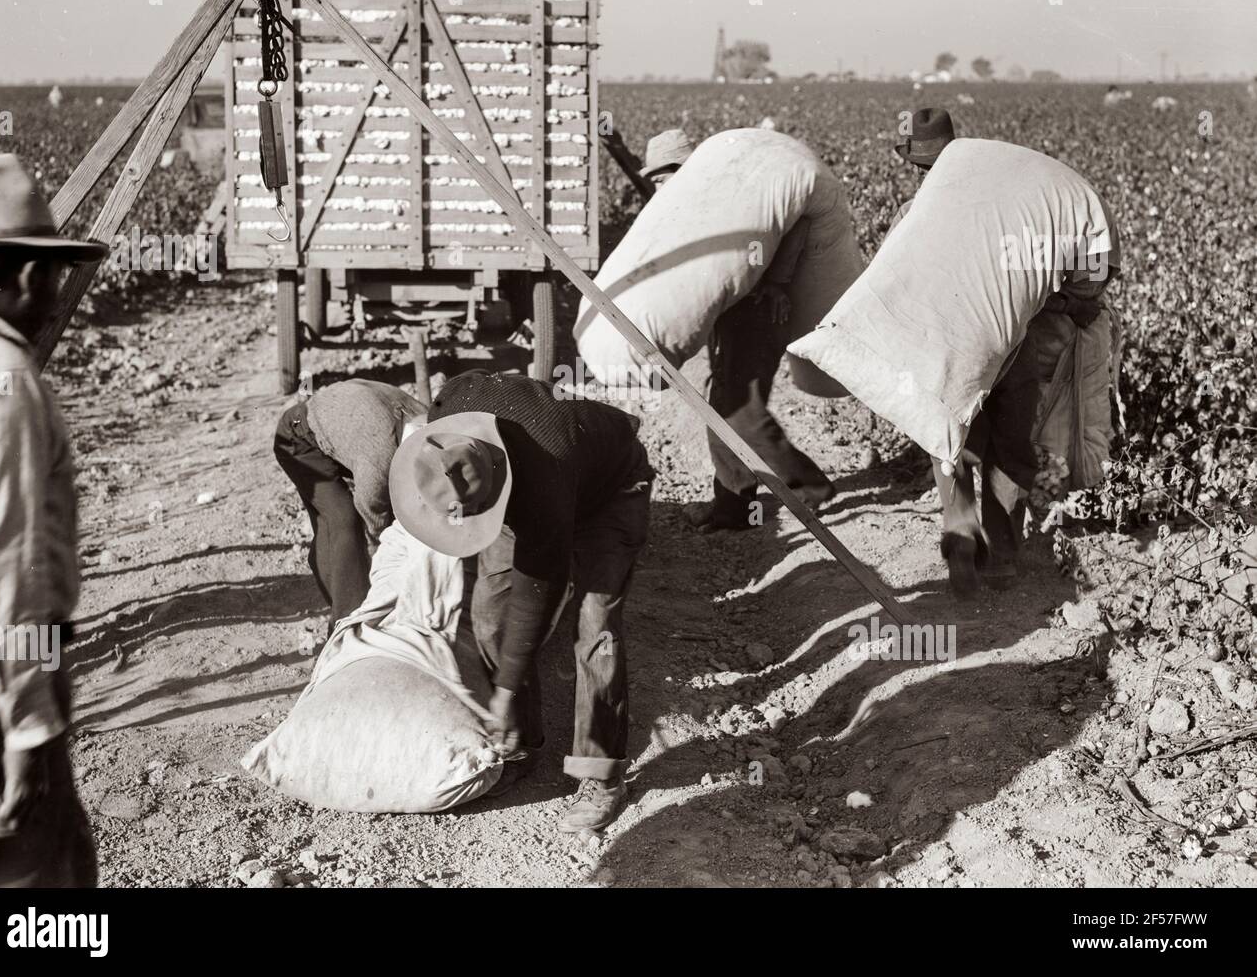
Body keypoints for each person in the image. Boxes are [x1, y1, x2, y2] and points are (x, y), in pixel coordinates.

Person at [389, 370, 651, 832]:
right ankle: (521, 740)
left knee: (596, 627)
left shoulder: (545, 480)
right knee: (489, 616)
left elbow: (537, 597)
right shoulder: (452, 410)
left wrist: (503, 691)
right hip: (517, 485)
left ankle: (602, 775)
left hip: (610, 491)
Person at [890, 110, 1116, 594]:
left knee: (951, 445)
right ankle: (1004, 558)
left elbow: (893, 286)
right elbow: (1078, 273)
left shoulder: (914, 216)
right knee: (1009, 449)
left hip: (949, 350)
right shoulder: (1012, 210)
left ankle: (963, 543)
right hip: (1014, 348)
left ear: (916, 166)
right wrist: (1067, 301)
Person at [0, 154, 102, 888]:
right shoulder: (1, 377)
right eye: (49, 275)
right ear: (25, 277)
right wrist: (29, 723)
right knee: (38, 882)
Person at [601, 129, 857, 534]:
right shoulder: (690, 202)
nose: (657, 188)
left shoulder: (736, 198)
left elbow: (797, 224)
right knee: (721, 405)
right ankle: (733, 507)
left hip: (759, 313)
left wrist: (776, 283)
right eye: (652, 181)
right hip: (732, 316)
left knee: (742, 411)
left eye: (662, 177)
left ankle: (810, 486)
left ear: (684, 171)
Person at [274, 378, 426, 627]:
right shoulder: (379, 459)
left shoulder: (426, 419)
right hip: (298, 437)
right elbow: (375, 530)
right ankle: (346, 623)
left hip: (342, 419)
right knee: (344, 523)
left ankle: (327, 567)